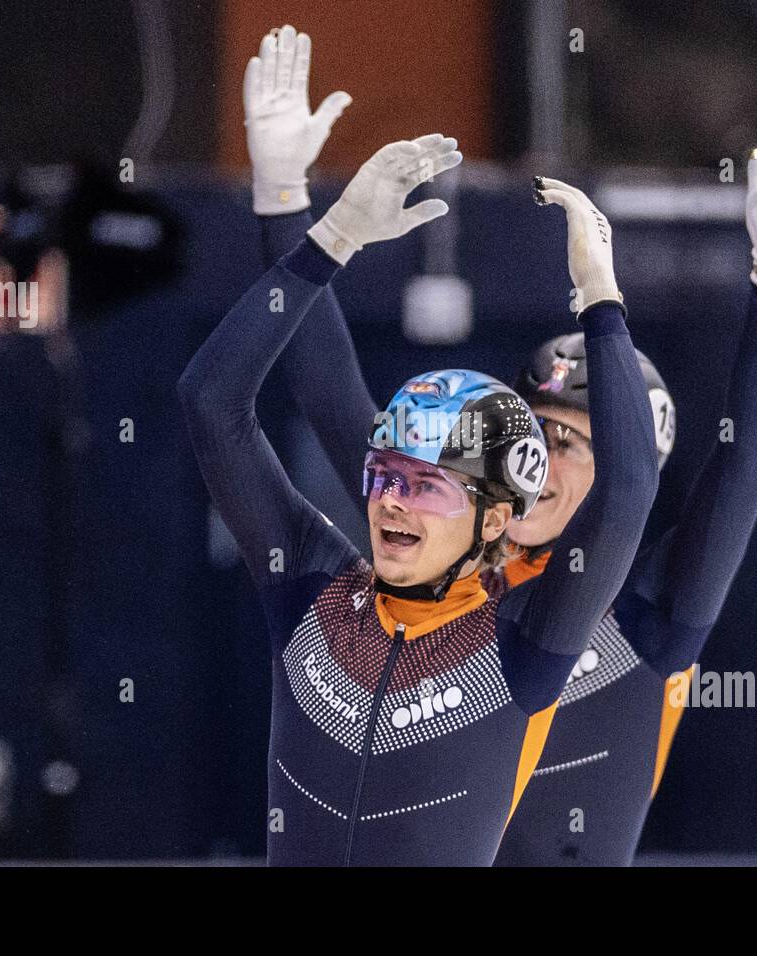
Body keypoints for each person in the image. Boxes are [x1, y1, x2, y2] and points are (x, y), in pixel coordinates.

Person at [245, 25, 757, 864]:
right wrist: (284, 196)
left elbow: (748, 455)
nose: (547, 459)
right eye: (537, 430)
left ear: (628, 468)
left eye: (579, 442)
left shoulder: (644, 608)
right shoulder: (438, 537)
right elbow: (324, 385)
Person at [178, 31, 658, 865]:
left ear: (496, 520)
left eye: (430, 485)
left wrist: (601, 303)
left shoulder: (523, 640)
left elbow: (624, 498)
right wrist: (317, 234)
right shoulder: (311, 588)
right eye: (385, 473)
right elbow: (211, 403)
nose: (393, 498)